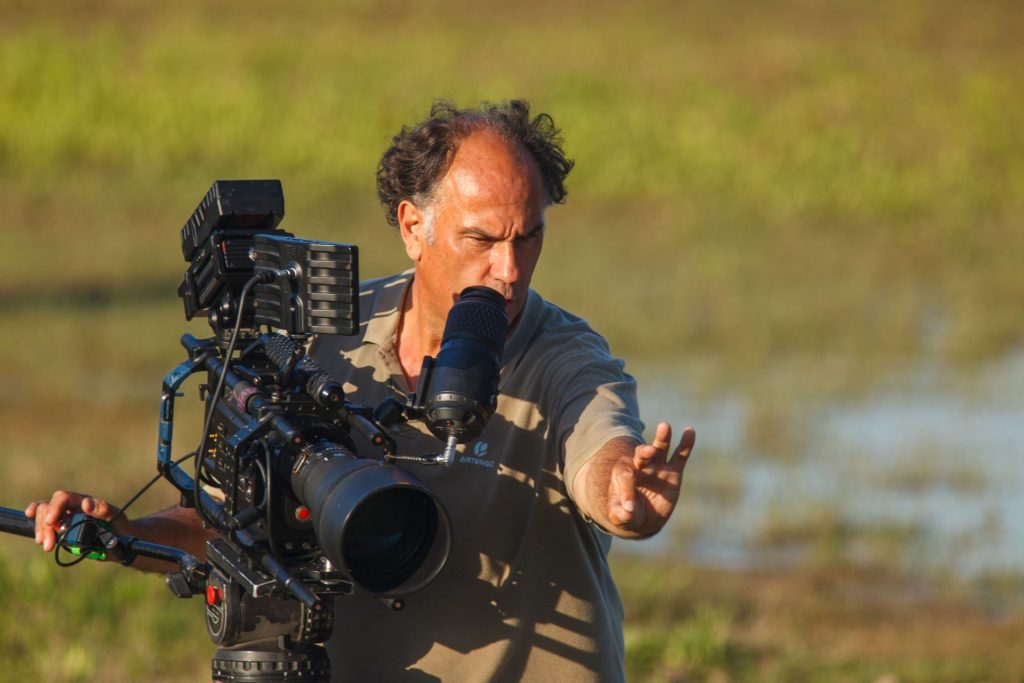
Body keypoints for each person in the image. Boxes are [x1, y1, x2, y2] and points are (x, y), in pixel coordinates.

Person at [27, 99, 696, 682]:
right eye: (481, 239)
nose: (510, 268)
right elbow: (229, 524)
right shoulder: (324, 338)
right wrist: (126, 532)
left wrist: (623, 496)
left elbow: (601, 446)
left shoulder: (566, 356)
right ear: (413, 228)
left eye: (529, 237)